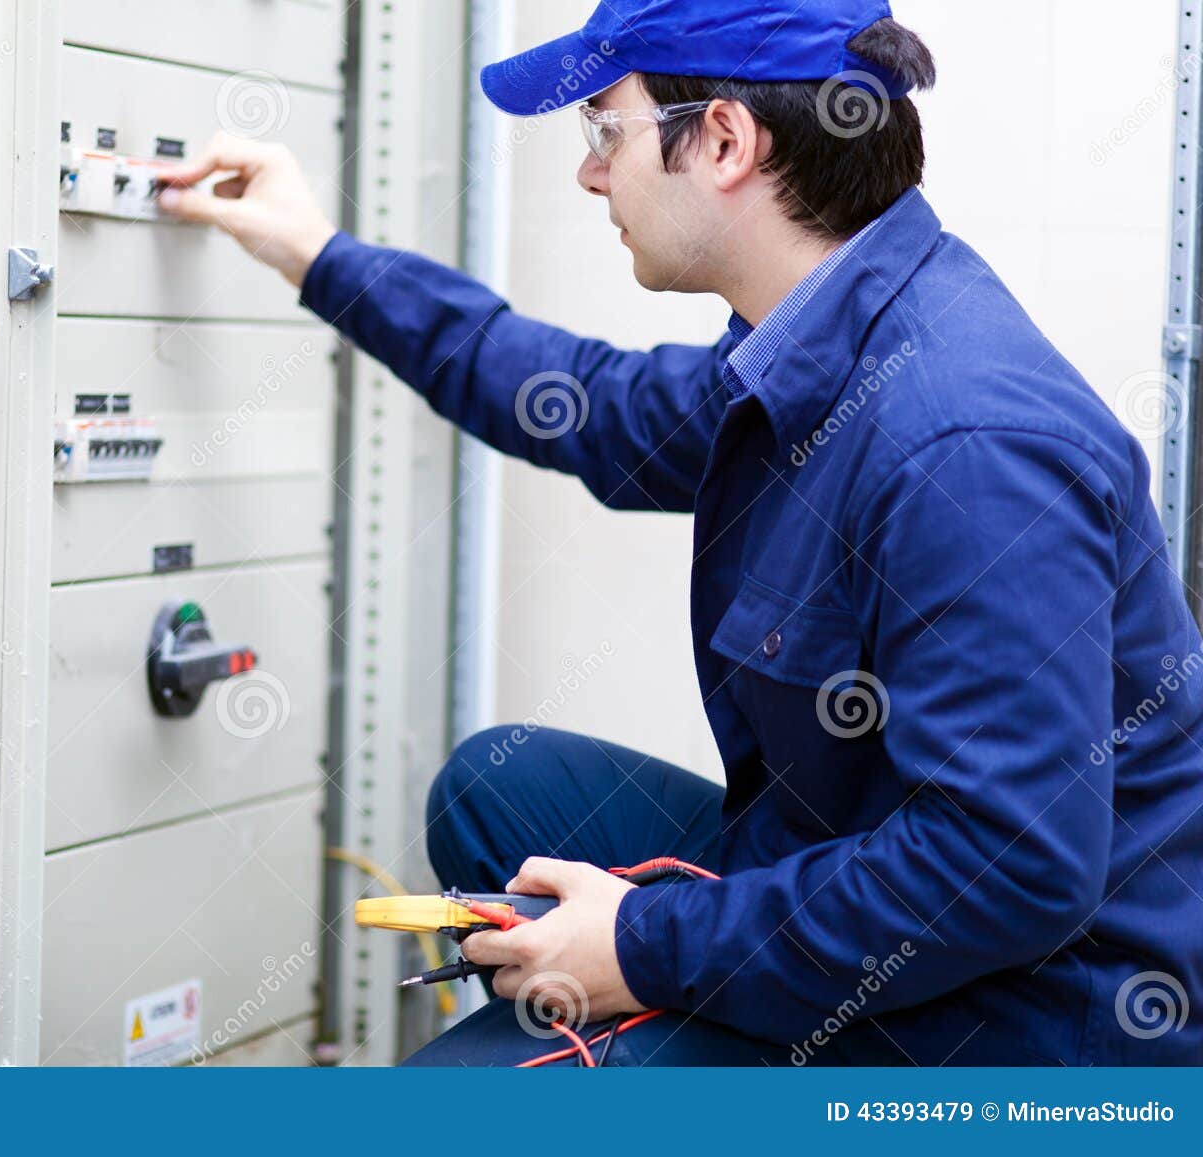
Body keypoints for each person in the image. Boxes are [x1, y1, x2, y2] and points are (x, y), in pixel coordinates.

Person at [154, 0, 1203, 1066]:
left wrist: (641, 948)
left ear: (725, 141)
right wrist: (316, 255)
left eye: (604, 129)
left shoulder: (962, 444)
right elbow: (589, 404)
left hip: (1021, 1018)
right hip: (866, 864)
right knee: (495, 789)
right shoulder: (817, 342)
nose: (590, 172)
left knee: (443, 1099)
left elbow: (1007, 867)